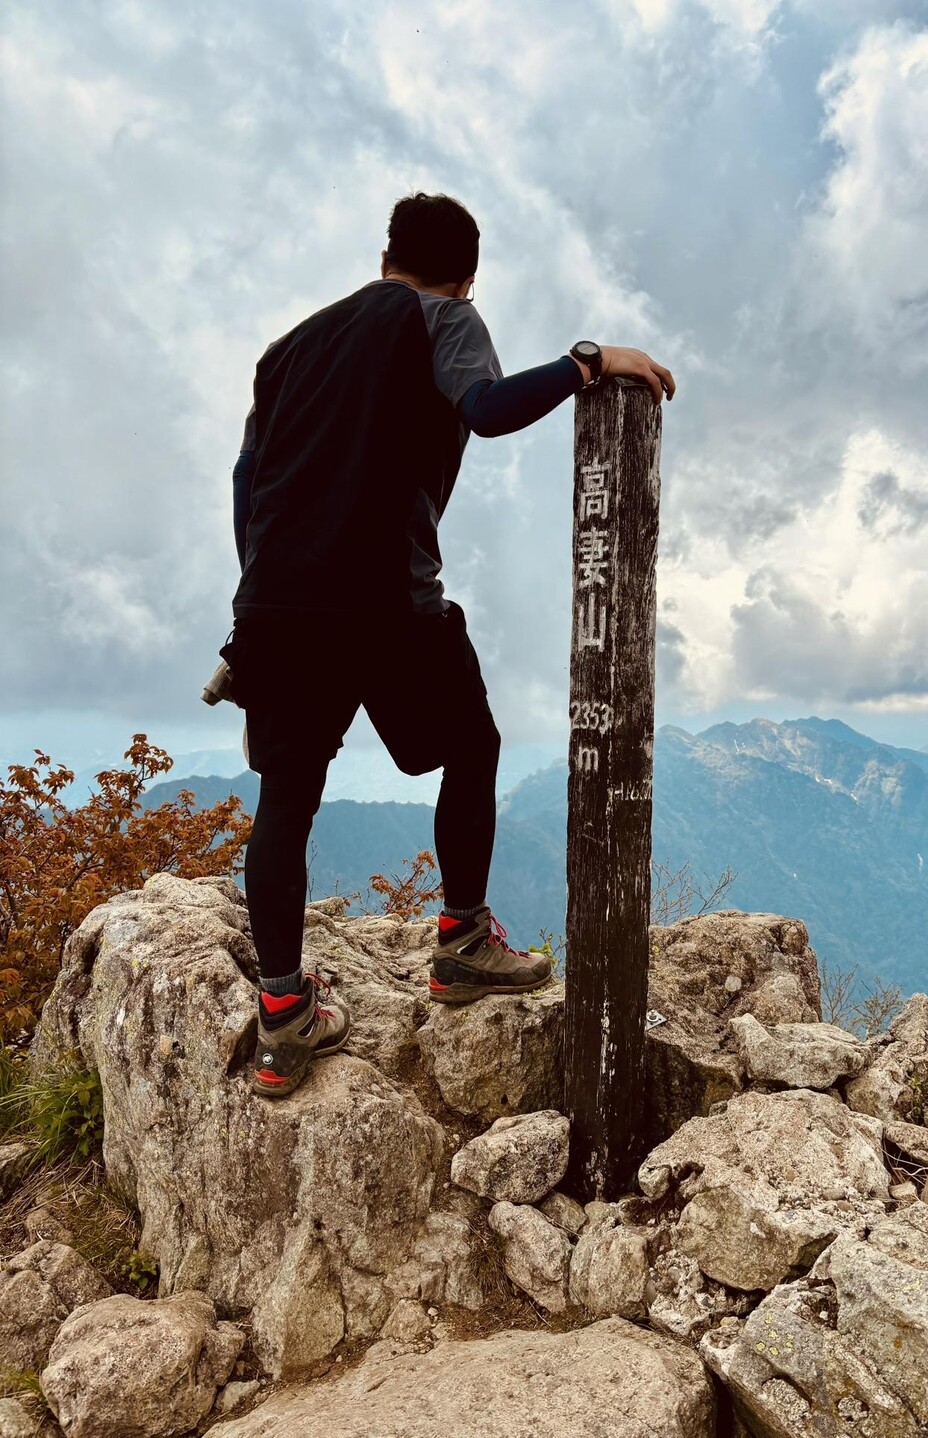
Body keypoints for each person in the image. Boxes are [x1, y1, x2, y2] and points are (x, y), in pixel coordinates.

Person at [219, 192, 676, 1098]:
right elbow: (489, 408)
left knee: (288, 797)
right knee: (472, 747)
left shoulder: (287, 351)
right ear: (467, 272)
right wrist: (586, 362)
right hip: (387, 601)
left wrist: (264, 596)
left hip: (276, 609)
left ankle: (282, 1012)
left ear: (386, 255)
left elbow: (247, 479)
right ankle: (462, 941)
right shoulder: (443, 315)